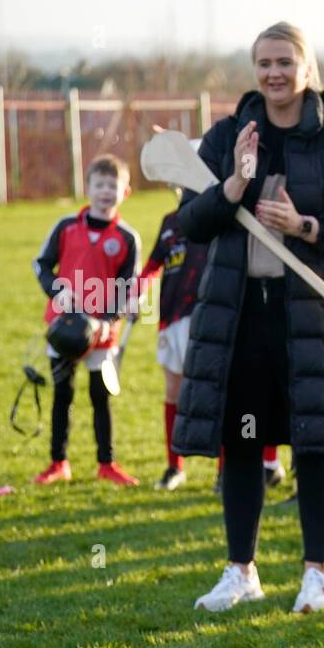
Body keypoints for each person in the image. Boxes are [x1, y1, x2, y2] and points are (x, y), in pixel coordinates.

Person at [172, 21, 324, 613]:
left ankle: (316, 575)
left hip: (312, 316)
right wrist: (235, 182)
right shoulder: (224, 137)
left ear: (307, 67)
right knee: (241, 446)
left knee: (313, 446)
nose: (274, 73)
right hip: (239, 318)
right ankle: (241, 571)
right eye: (264, 62)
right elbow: (191, 223)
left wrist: (307, 227)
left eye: (285, 62)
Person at [31, 154, 141, 487]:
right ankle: (58, 462)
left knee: (100, 397)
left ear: (125, 192)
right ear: (88, 187)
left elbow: (127, 288)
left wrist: (108, 320)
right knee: (62, 394)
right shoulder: (65, 226)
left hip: (102, 333)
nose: (106, 191)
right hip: (64, 328)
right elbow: (41, 266)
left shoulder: (127, 237)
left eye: (113, 185)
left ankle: (106, 463)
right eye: (100, 184)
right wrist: (58, 293)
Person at [139, 166, 210, 491]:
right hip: (170, 315)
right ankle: (174, 466)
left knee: (214, 394)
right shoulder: (170, 222)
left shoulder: (215, 217)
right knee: (174, 392)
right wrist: (136, 291)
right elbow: (154, 264)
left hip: (205, 314)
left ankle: (225, 473)